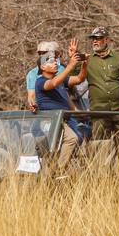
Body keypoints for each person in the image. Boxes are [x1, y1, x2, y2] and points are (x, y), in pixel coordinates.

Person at [34, 40, 89, 172]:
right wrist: (70, 66)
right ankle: (57, 170)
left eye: (54, 61)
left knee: (77, 138)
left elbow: (79, 79)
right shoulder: (40, 81)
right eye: (49, 61)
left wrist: (85, 63)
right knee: (68, 140)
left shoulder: (60, 79)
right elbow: (52, 84)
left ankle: (61, 169)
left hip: (64, 119)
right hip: (50, 121)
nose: (54, 63)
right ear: (42, 67)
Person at [84, 26, 119, 140]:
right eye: (93, 39)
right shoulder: (87, 59)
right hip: (98, 110)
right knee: (99, 145)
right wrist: (73, 58)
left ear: (106, 40)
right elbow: (70, 76)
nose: (94, 41)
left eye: (98, 38)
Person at [27, 40, 61, 112]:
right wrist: (32, 104)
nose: (42, 55)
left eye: (45, 53)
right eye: (40, 53)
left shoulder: (61, 69)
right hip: (45, 111)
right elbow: (31, 95)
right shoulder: (32, 73)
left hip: (62, 108)